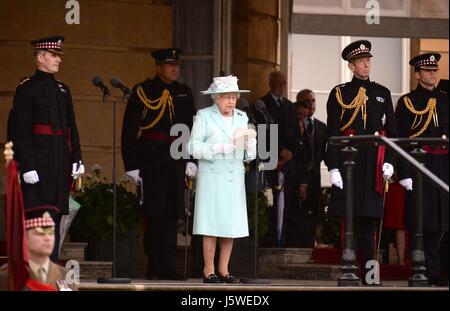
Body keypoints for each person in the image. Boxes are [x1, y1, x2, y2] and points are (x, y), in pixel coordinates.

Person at [121, 48, 197, 280]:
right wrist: (132, 165)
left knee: (173, 212)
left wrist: (191, 159)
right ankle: (153, 265)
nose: (175, 69)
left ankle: (169, 266)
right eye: (169, 65)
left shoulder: (184, 92)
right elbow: (129, 131)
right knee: (154, 213)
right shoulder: (143, 91)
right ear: (158, 67)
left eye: (177, 65)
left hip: (176, 157)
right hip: (151, 158)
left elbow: (192, 129)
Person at [325, 40, 398, 283]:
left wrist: (390, 161)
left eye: (368, 60)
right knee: (350, 218)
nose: (367, 64)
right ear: (351, 66)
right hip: (349, 158)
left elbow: (392, 131)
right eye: (361, 61)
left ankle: (369, 275)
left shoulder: (382, 92)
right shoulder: (340, 93)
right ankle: (349, 271)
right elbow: (332, 132)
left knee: (370, 220)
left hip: (373, 160)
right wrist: (333, 165)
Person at [7, 35, 84, 261]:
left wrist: (77, 159)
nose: (58, 60)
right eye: (53, 55)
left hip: (59, 161)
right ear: (40, 58)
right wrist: (27, 165)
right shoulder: (27, 88)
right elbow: (19, 130)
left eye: (58, 55)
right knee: (40, 217)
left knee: (56, 217)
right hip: (38, 165)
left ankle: (48, 271)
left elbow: (72, 127)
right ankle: (37, 274)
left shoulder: (63, 89)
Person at [188, 75, 256, 283]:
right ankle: (208, 269)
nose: (231, 101)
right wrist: (217, 148)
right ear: (216, 98)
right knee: (211, 225)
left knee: (230, 225)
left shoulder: (242, 117)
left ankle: (224, 269)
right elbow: (192, 147)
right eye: (226, 97)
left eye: (233, 97)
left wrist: (250, 149)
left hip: (233, 177)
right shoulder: (204, 115)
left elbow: (246, 150)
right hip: (212, 178)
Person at [395, 53, 449, 286]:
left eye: (435, 69)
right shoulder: (408, 102)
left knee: (440, 220)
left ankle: (434, 271)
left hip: (444, 164)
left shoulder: (446, 99)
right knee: (421, 219)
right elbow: (401, 140)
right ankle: (419, 270)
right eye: (428, 70)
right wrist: (405, 172)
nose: (433, 73)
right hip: (420, 164)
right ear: (417, 75)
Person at [253, 70, 297, 247]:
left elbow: (294, 133)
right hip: (268, 162)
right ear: (270, 83)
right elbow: (262, 133)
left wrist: (289, 153)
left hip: (287, 163)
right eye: (279, 83)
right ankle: (268, 241)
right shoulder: (261, 104)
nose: (282, 87)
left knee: (286, 206)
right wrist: (279, 152)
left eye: (285, 83)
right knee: (269, 204)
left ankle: (283, 240)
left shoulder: (290, 106)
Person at [0, 208, 77, 291]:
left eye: (51, 233)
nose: (48, 238)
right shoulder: (8, 276)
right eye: (40, 233)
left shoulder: (65, 275)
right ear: (24, 238)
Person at [296, 89, 328, 248]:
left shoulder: (322, 127)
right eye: (306, 101)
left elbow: (322, 153)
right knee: (298, 213)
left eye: (313, 101)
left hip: (315, 177)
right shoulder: (294, 123)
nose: (310, 105)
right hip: (297, 177)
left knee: (315, 211)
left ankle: (311, 243)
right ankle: (301, 243)